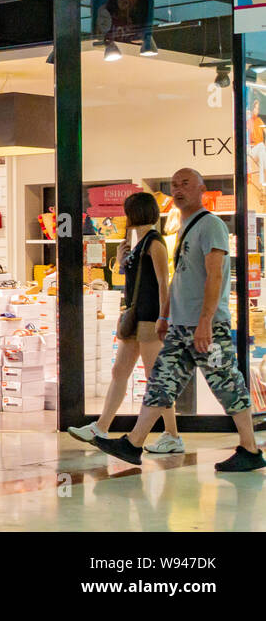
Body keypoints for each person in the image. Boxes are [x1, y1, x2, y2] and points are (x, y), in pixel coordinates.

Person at [92, 168, 265, 472]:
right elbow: (180, 278)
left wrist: (206, 321)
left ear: (202, 188)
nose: (178, 189)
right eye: (174, 185)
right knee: (161, 383)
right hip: (181, 326)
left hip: (207, 326)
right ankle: (133, 444)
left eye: (186, 184)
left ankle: (250, 449)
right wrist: (165, 314)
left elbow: (215, 275)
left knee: (227, 385)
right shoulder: (183, 227)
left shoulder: (211, 225)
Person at [67, 192, 181, 451]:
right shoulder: (138, 243)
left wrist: (164, 317)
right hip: (136, 317)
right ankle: (101, 427)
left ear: (135, 213)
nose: (124, 217)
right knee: (120, 372)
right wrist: (121, 262)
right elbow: (137, 280)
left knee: (156, 379)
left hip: (150, 319)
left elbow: (164, 283)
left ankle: (173, 435)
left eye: (127, 212)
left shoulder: (154, 243)